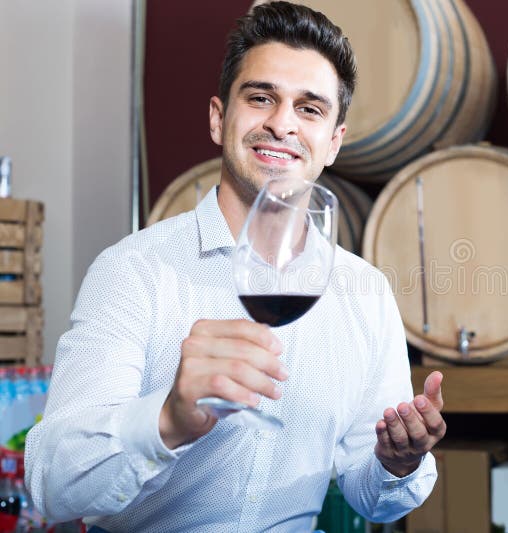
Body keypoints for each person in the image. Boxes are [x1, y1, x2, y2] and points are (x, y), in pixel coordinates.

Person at [24, 2, 446, 531]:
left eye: (310, 109)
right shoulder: (134, 270)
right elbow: (49, 484)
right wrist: (168, 419)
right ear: (219, 118)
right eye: (261, 97)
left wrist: (395, 462)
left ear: (333, 142)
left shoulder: (365, 290)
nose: (281, 123)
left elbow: (373, 497)